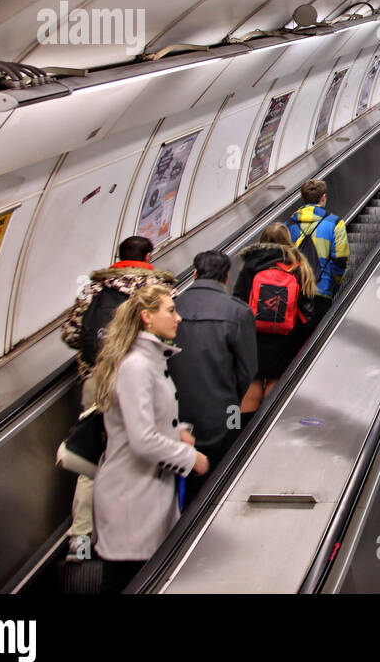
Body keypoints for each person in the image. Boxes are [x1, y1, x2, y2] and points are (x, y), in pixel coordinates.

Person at [60, 236, 176, 560]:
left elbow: (71, 333)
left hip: (99, 380)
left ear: (118, 257)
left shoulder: (93, 290)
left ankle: (80, 539)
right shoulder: (159, 290)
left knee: (92, 455)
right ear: (149, 256)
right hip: (144, 379)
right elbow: (173, 333)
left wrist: (102, 357)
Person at [91, 284, 208, 592]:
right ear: (146, 317)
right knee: (128, 581)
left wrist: (179, 432)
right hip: (130, 498)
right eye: (170, 311)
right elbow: (142, 439)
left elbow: (148, 420)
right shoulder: (136, 366)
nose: (178, 318)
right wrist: (190, 458)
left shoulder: (149, 360)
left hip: (146, 493)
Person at [165, 251, 257, 506]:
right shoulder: (238, 312)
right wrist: (230, 397)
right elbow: (247, 368)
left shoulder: (171, 309)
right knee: (212, 477)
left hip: (171, 413)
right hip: (219, 413)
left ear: (194, 273)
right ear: (227, 277)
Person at [232, 224, 320, 420]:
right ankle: (267, 428)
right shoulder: (299, 266)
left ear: (262, 241)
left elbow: (238, 301)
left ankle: (239, 438)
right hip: (286, 336)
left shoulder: (250, 265)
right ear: (288, 240)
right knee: (275, 380)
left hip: (253, 335)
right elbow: (307, 307)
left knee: (252, 382)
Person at [284, 178, 349, 319]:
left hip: (294, 290)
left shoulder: (288, 225)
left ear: (303, 198)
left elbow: (282, 257)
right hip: (322, 290)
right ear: (323, 197)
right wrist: (335, 283)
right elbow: (340, 259)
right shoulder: (335, 223)